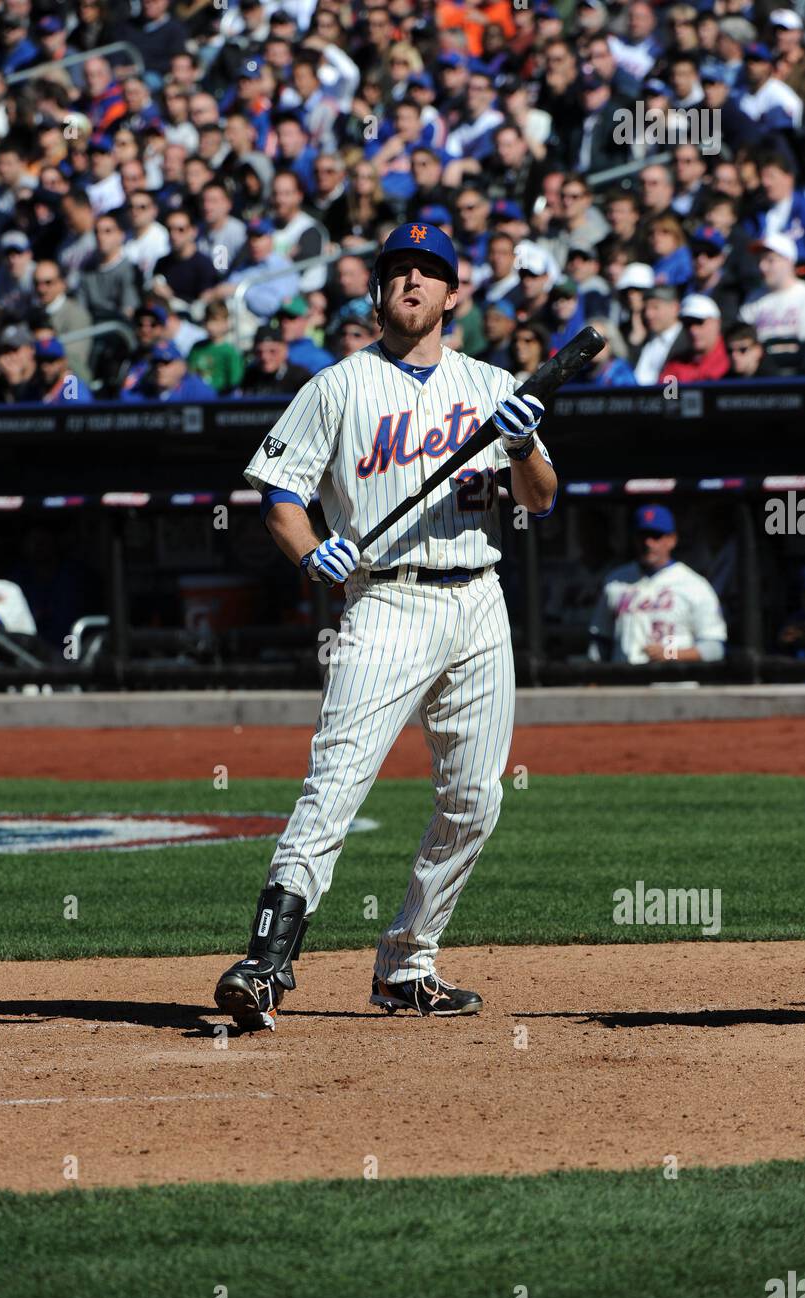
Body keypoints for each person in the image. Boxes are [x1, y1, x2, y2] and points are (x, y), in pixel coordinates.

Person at [211, 220, 557, 1032]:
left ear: (451, 293)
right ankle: (266, 961)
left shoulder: (492, 383)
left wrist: (526, 442)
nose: (411, 283)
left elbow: (538, 499)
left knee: (474, 798)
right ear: (377, 292)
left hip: (478, 597)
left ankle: (407, 965)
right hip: (385, 601)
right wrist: (308, 553)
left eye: (427, 272)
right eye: (397, 271)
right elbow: (281, 496)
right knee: (336, 780)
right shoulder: (335, 386)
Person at [589, 506, 727, 665]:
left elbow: (715, 648)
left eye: (656, 536)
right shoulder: (615, 581)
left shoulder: (694, 585)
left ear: (672, 539)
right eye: (642, 536)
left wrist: (671, 653)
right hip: (626, 683)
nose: (648, 543)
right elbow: (600, 641)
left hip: (674, 685)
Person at [120, 339, 217, 403]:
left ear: (182, 366)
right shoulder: (140, 390)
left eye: (166, 363)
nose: (160, 368)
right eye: (156, 362)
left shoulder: (197, 391)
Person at [664, 294, 731, 382]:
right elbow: (667, 395)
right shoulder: (675, 364)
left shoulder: (734, 356)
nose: (693, 330)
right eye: (687, 324)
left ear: (717, 323)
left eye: (699, 322)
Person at [237, 323, 313, 396]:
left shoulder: (301, 378)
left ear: (285, 350)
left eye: (272, 351)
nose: (265, 357)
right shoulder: (249, 377)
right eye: (259, 352)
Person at [187, 300, 245, 393]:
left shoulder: (230, 352)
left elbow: (234, 381)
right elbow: (190, 372)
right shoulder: (197, 347)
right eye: (208, 320)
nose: (210, 326)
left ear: (226, 323)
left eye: (216, 321)